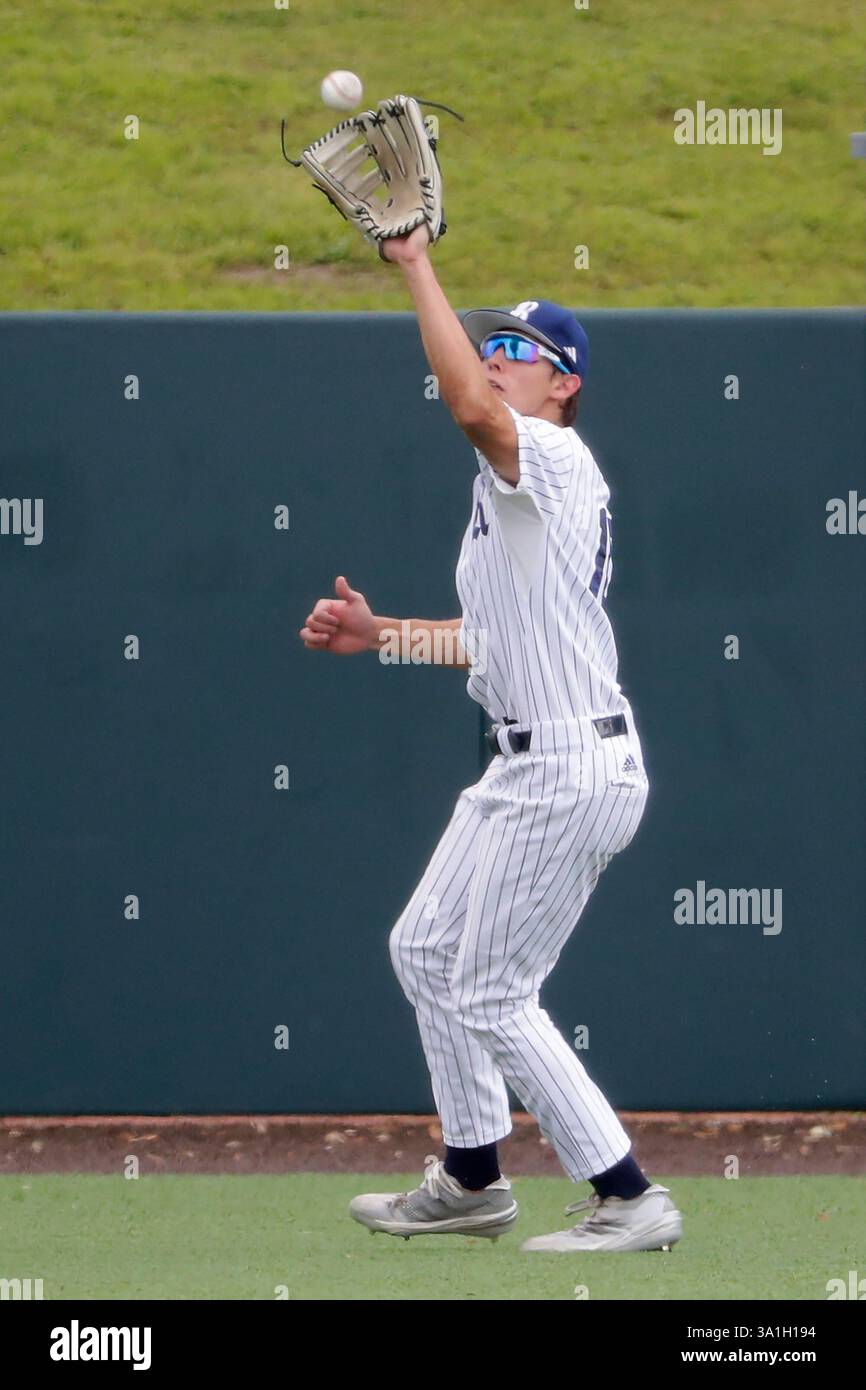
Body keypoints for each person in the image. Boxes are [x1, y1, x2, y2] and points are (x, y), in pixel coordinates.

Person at [299, 224, 683, 1253]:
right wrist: (382, 636)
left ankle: (628, 1194)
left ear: (563, 385)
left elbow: (465, 402)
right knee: (424, 950)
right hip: (526, 763)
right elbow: (485, 638)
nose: (491, 362)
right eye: (491, 344)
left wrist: (415, 265)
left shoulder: (549, 455)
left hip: (567, 763)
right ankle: (472, 1176)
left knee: (493, 989)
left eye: (513, 350)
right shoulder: (505, 496)